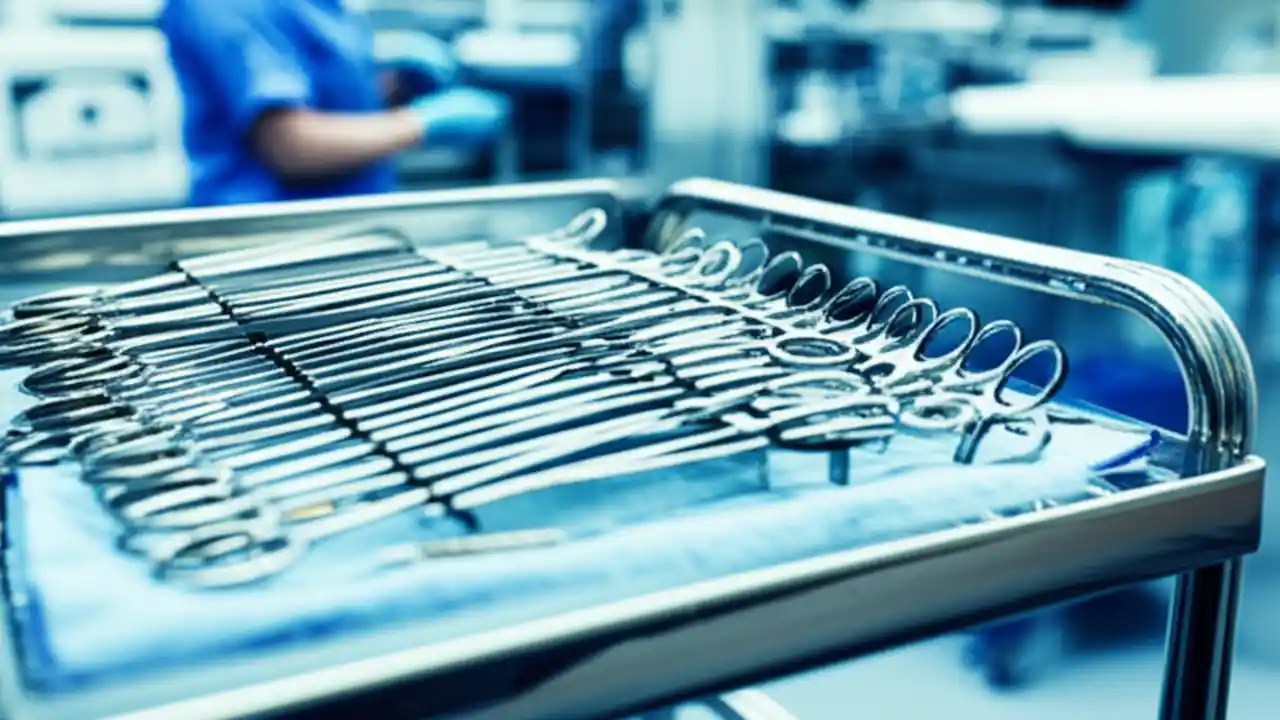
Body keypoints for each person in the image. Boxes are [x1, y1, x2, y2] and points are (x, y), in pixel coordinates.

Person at [159, 0, 509, 206]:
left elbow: (330, 99)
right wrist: (420, 123)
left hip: (349, 222)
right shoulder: (226, 6)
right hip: (266, 237)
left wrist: (394, 85)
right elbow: (288, 145)